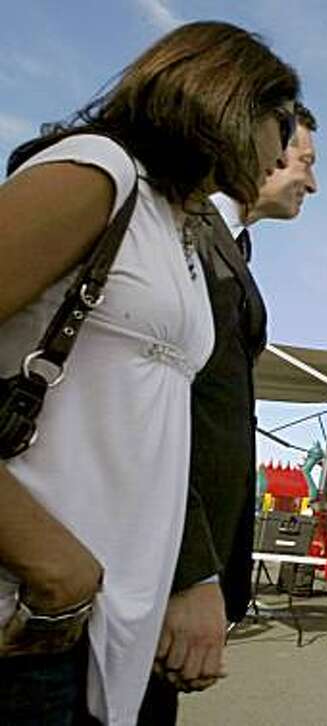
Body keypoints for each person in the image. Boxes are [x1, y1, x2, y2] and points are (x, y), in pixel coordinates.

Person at [0, 21, 298, 725]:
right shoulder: (97, 171)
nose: (285, 151)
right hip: (29, 624)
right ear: (227, 97)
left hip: (105, 635)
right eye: (280, 123)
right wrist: (50, 564)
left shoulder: (176, 230)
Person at [137, 104, 318, 724]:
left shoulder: (223, 248)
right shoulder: (191, 240)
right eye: (304, 161)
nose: (311, 182)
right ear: (262, 149)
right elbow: (165, 414)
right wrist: (192, 572)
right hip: (156, 572)